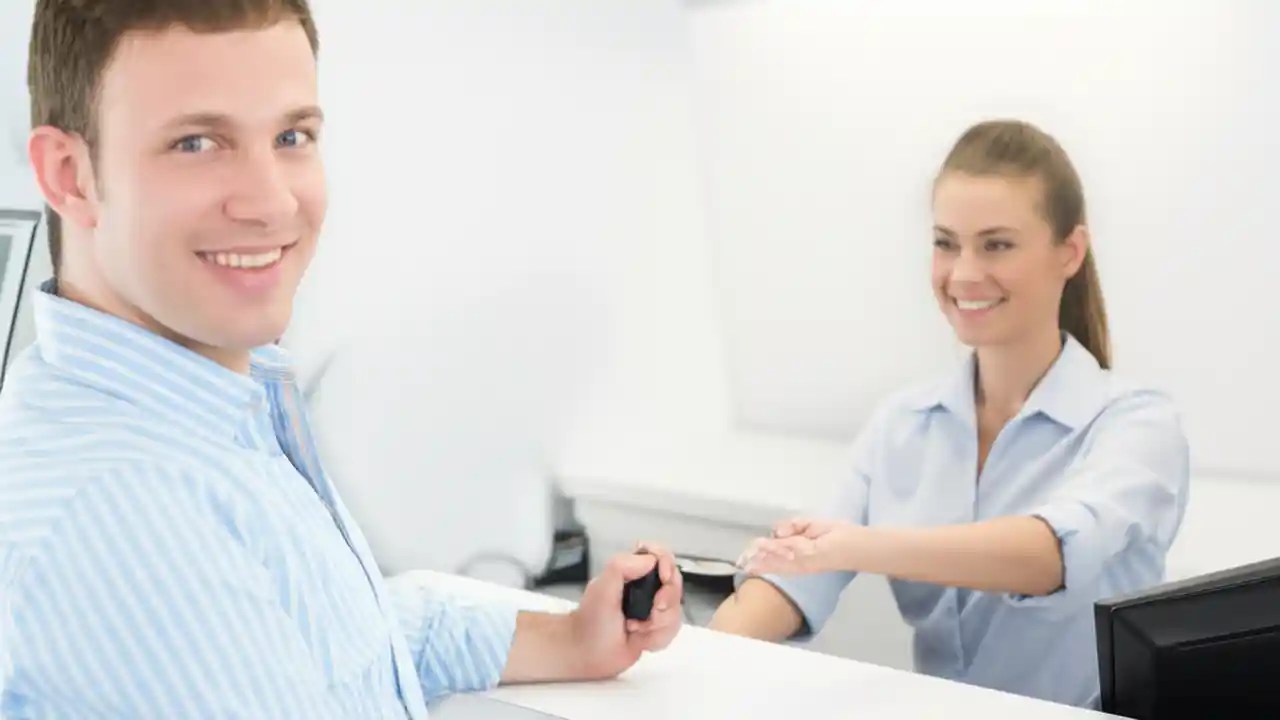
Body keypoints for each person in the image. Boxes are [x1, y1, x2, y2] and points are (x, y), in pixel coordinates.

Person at [0, 1, 682, 717]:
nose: (271, 201)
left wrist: (570, 640)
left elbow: (342, 636)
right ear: (70, 176)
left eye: (292, 135)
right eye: (197, 143)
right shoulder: (127, 518)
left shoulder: (196, 410)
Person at [708, 120, 1189, 709]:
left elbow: (1049, 554)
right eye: (946, 242)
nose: (962, 273)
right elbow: (796, 578)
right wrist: (693, 662)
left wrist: (856, 546)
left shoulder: (1135, 425)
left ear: (1069, 252)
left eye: (997, 244)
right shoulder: (902, 424)